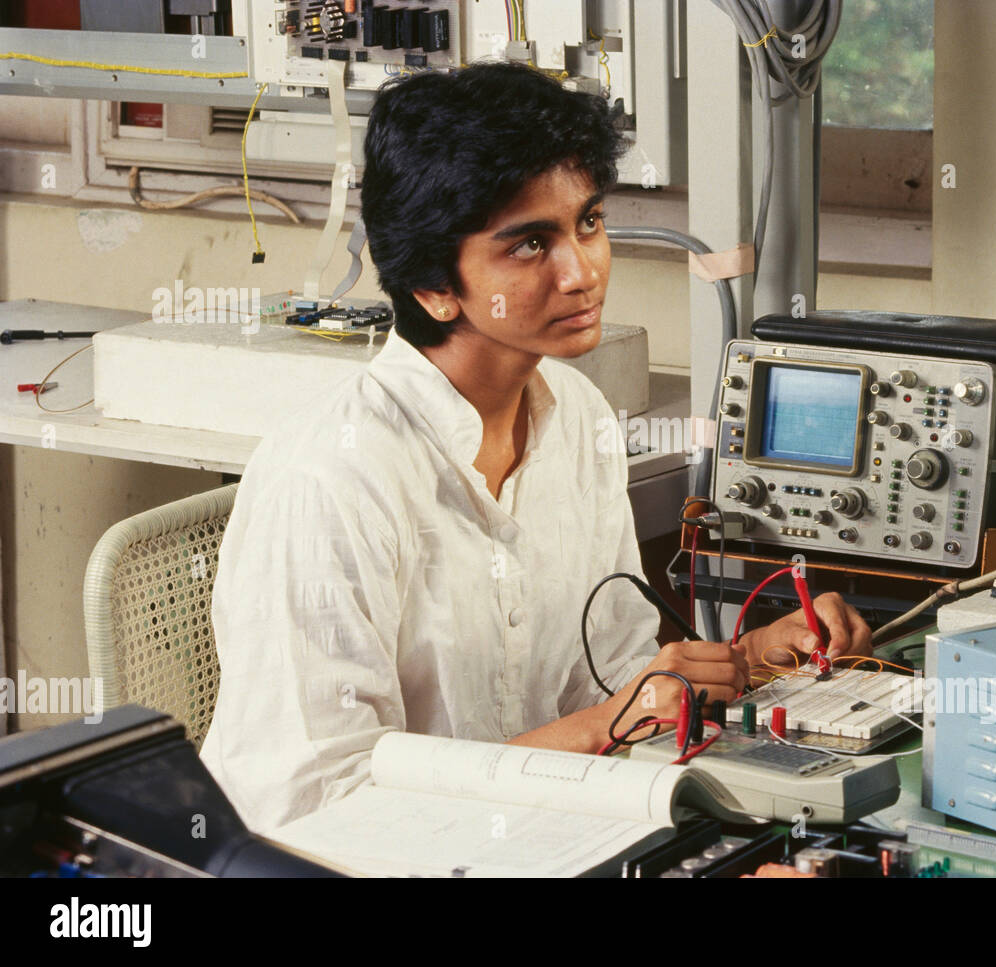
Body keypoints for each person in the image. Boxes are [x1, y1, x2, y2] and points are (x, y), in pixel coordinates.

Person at [199, 61, 872, 833]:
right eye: (529, 245)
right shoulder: (330, 477)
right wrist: (607, 724)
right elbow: (314, 809)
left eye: (587, 222)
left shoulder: (576, 416)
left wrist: (745, 663)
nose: (581, 272)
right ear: (432, 285)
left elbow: (614, 679)